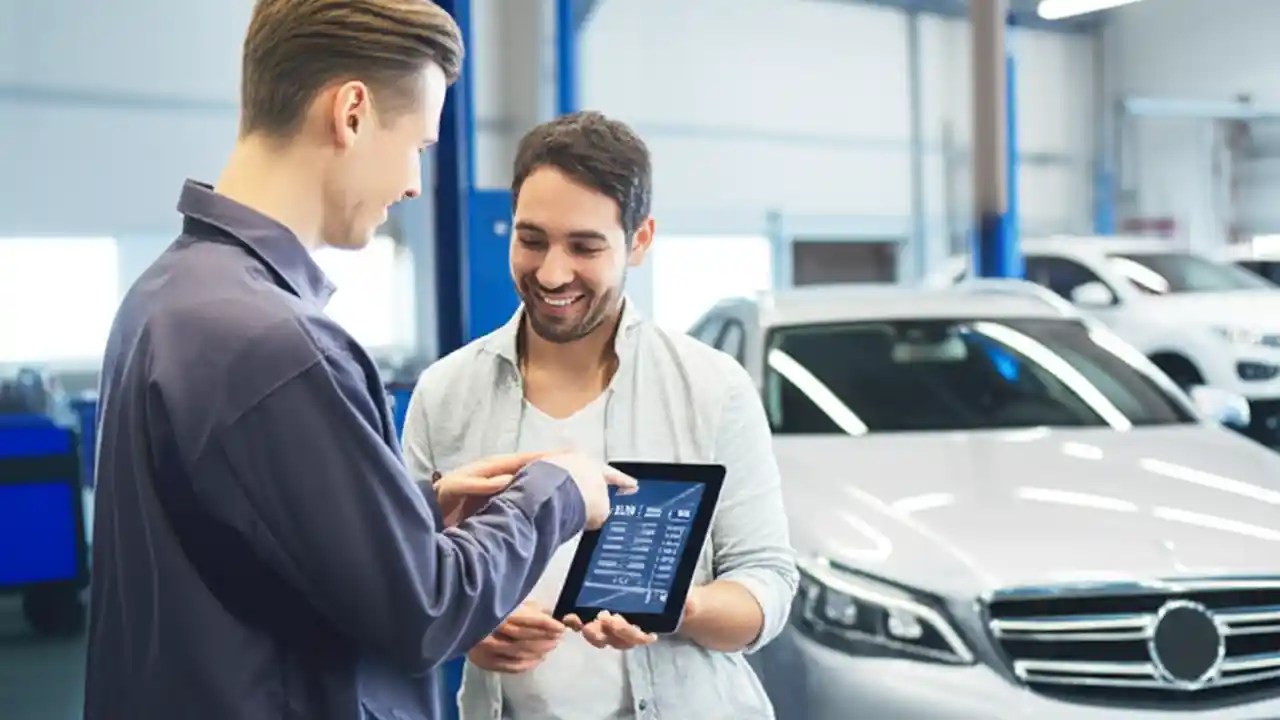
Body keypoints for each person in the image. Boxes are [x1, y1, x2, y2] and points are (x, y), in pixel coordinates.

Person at [83, 3, 635, 719]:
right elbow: (426, 611)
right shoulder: (273, 344)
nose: (413, 183)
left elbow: (240, 548)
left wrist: (409, 519)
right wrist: (556, 491)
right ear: (351, 113)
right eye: (418, 147)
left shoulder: (167, 295)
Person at [402, 111, 800, 720]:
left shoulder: (713, 388)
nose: (552, 272)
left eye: (585, 246)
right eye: (531, 239)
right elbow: (406, 578)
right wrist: (467, 630)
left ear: (639, 241)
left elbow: (766, 584)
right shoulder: (446, 392)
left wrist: (677, 607)